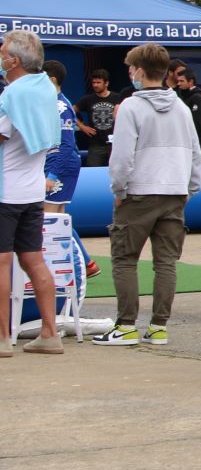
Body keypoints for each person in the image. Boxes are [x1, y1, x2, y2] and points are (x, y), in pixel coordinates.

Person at [91, 43, 201, 347]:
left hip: (139, 192)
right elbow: (195, 151)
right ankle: (158, 326)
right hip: (175, 192)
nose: (130, 73)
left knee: (125, 258)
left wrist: (119, 188)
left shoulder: (131, 106)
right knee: (165, 262)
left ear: (139, 71)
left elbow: (123, 155)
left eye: (131, 68)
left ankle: (126, 325)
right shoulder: (180, 105)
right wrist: (190, 187)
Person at [0, 31, 66, 356]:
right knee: (34, 260)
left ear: (13, 60)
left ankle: (1, 339)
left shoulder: (12, 96)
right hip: (31, 189)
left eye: (2, 52)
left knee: (1, 263)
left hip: (5, 190)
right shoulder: (44, 92)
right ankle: (50, 332)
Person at [40, 60, 96, 279]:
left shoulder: (59, 107)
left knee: (48, 219)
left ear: (52, 80)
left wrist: (52, 175)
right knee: (57, 218)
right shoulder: (55, 104)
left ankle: (70, 266)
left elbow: (65, 145)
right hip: (58, 165)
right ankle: (84, 263)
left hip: (59, 167)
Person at [75, 69, 124, 167]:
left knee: (117, 170)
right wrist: (82, 127)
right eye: (93, 82)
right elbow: (69, 112)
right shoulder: (87, 99)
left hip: (116, 143)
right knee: (92, 172)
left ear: (106, 83)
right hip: (96, 144)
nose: (95, 85)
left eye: (98, 82)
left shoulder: (118, 97)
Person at [169, 60, 201, 151]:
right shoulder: (183, 96)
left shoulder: (197, 98)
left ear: (190, 82)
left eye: (181, 81)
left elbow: (196, 123)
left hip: (193, 143)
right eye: (178, 81)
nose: (178, 84)